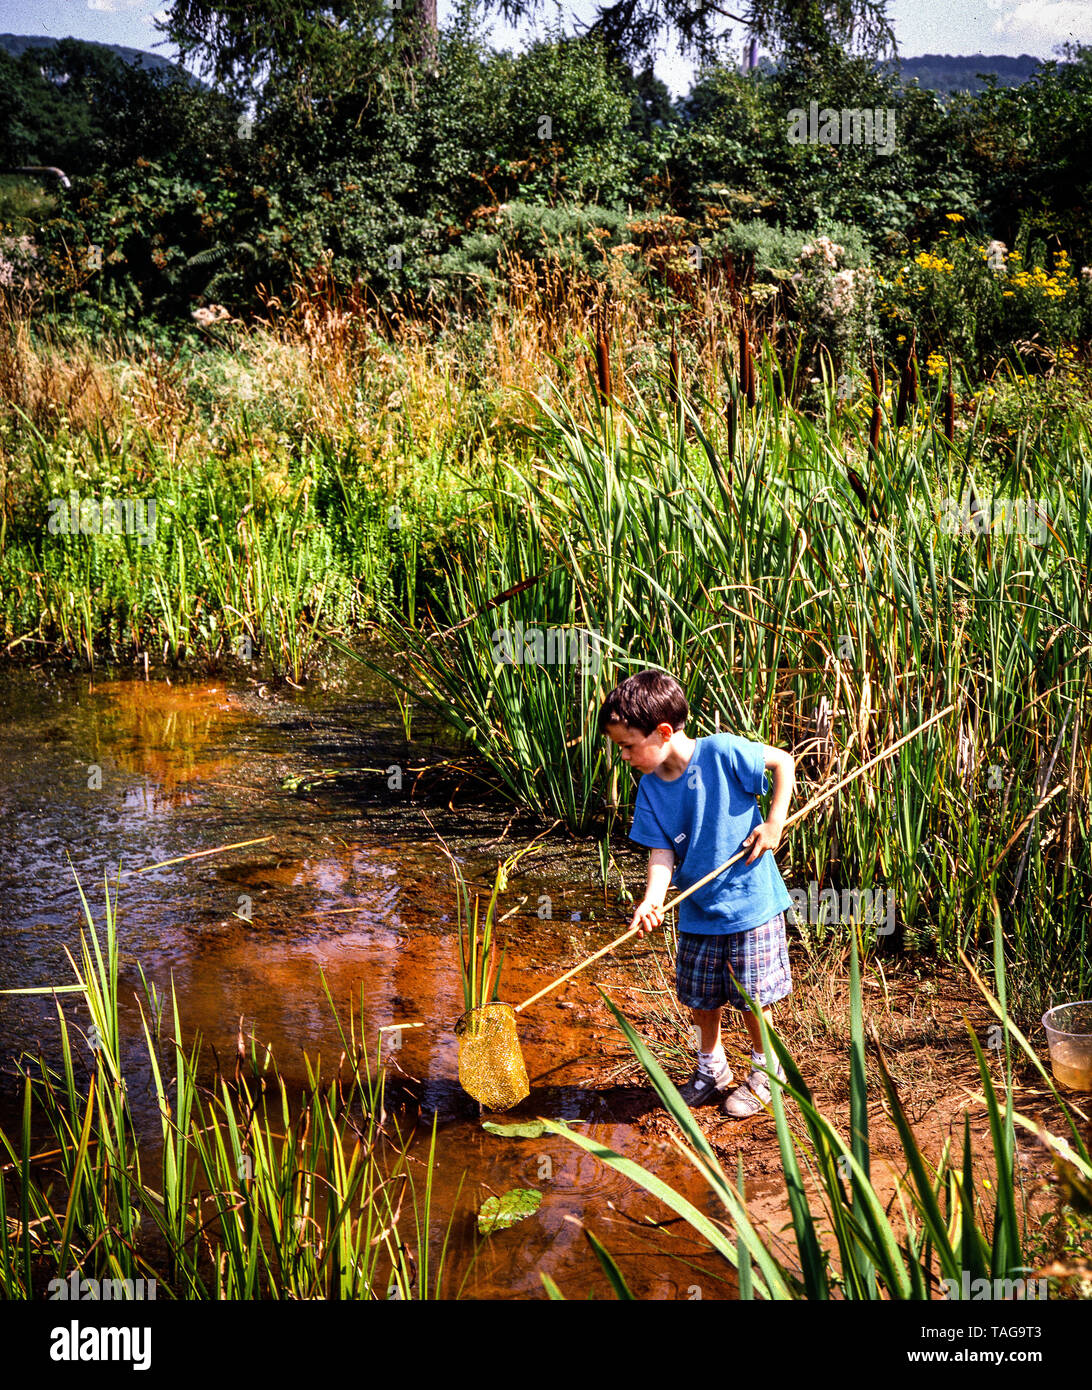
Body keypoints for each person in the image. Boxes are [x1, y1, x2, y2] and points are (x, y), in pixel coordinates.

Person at [599, 669, 796, 1118]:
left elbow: (783, 762)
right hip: (698, 910)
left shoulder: (723, 751)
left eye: (628, 745)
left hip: (750, 904)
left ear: (663, 732)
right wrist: (652, 898)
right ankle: (712, 1070)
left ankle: (767, 1072)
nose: (624, 756)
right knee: (701, 997)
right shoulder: (649, 788)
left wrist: (775, 822)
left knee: (752, 998)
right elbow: (662, 852)